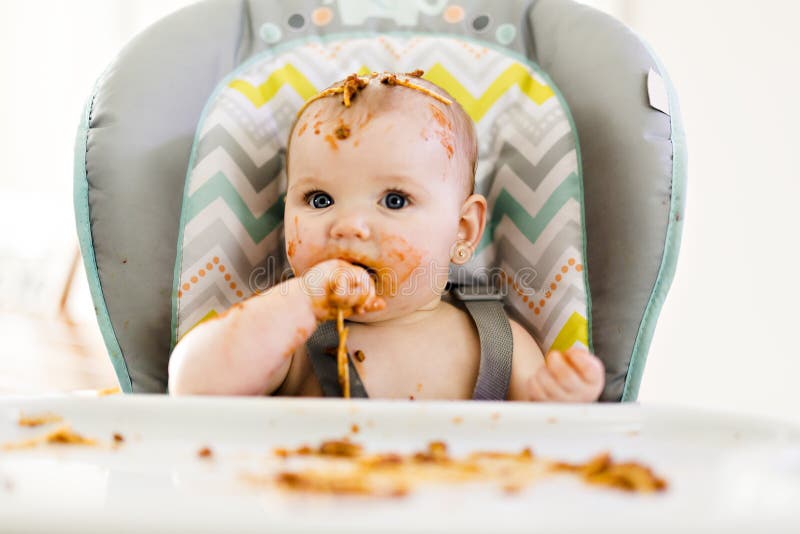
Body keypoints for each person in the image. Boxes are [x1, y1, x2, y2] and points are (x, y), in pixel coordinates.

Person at [168, 71, 605, 401]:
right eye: (319, 199)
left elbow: (544, 446)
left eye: (394, 200)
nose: (348, 225)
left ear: (463, 230)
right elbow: (193, 386)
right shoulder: (290, 336)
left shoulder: (499, 341)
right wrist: (302, 299)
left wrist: (558, 399)